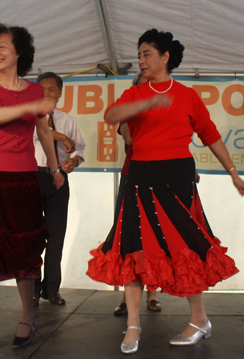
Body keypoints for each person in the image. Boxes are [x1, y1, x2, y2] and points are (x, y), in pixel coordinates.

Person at [87, 29, 244, 355]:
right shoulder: (135, 95)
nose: (142, 59)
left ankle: (200, 319)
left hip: (178, 178)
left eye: (147, 53)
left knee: (187, 246)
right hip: (141, 176)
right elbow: (110, 115)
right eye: (140, 54)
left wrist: (233, 173)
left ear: (165, 57)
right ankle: (133, 324)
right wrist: (146, 100)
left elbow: (210, 134)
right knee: (132, 249)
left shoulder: (188, 95)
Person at [0, 23, 64, 352]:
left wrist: (54, 167)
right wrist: (31, 107)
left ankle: (27, 317)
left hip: (24, 177)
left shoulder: (36, 91)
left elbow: (45, 133)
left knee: (26, 249)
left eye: (3, 45)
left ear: (19, 52)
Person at [33, 72, 86, 307]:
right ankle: (32, 289)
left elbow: (79, 150)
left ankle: (51, 289)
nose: (46, 93)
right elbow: (41, 131)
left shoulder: (68, 120)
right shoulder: (29, 117)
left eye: (52, 89)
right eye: (42, 89)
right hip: (33, 177)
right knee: (32, 236)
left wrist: (73, 162)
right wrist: (62, 136)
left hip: (59, 180)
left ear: (60, 93)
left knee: (56, 235)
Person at [113, 73, 161, 316]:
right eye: (140, 86)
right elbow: (132, 138)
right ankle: (126, 297)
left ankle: (153, 294)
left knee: (154, 235)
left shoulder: (163, 115)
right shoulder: (127, 115)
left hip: (158, 177)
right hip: (132, 175)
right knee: (128, 237)